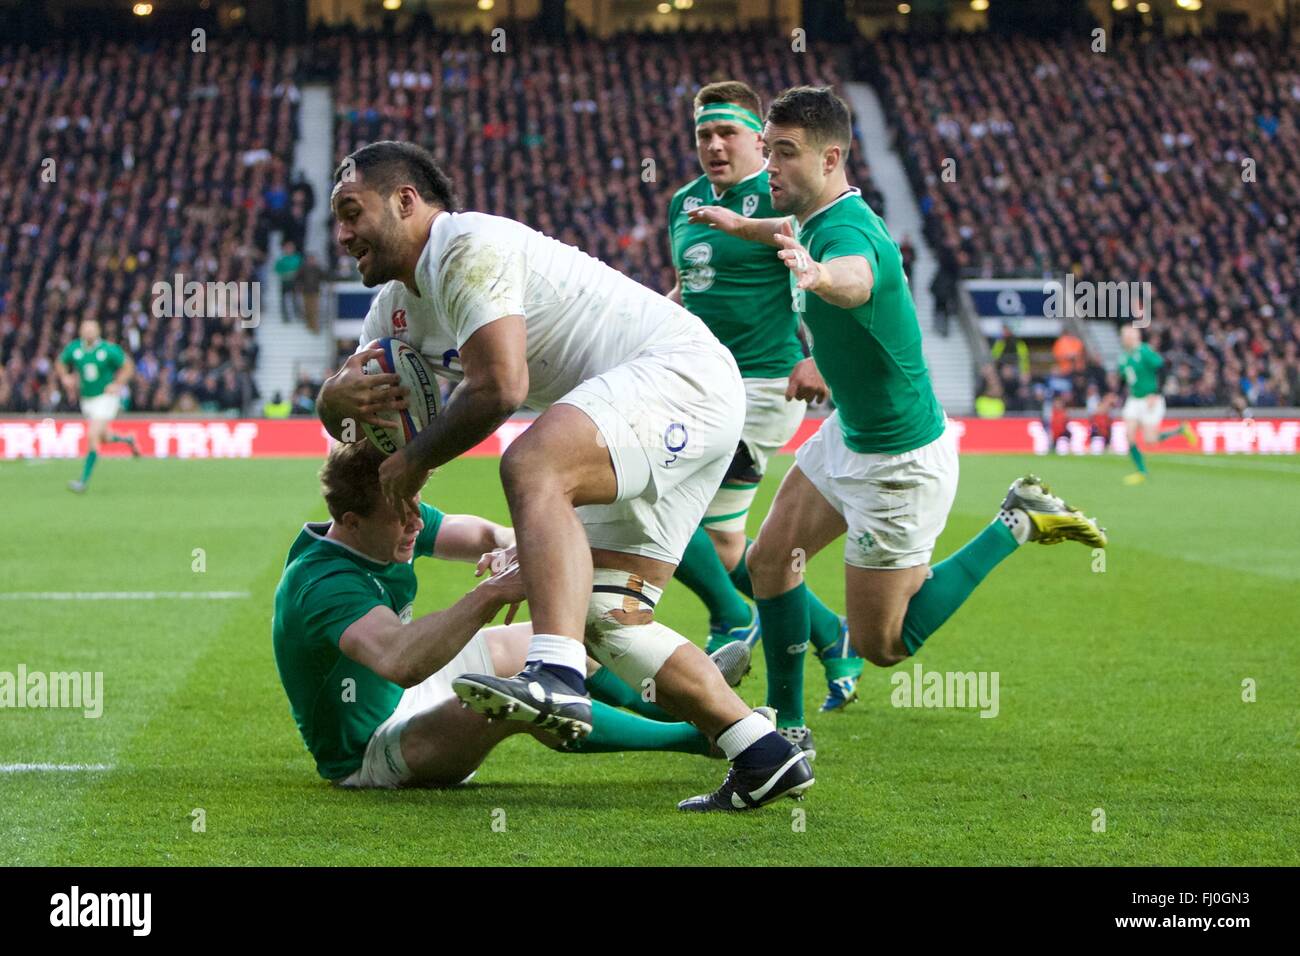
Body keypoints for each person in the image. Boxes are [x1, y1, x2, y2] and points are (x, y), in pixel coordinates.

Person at [316, 141, 812, 812]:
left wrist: (415, 460)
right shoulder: (393, 313)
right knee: (611, 617)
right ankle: (759, 749)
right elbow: (358, 421)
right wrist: (330, 403)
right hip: (641, 407)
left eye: (353, 212)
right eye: (336, 219)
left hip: (679, 377)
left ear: (407, 202)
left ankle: (553, 671)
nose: (342, 234)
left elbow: (498, 388)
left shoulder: (467, 248)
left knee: (531, 461)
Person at [689, 86, 1107, 679]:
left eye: (784, 152)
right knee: (769, 562)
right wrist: (739, 223)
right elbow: (783, 226)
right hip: (849, 433)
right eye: (766, 149)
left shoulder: (847, 236)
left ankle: (1016, 522)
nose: (770, 165)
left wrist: (816, 275)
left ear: (831, 160)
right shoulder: (812, 216)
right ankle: (785, 728)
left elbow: (853, 279)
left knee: (883, 644)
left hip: (898, 458)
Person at [272, 441, 732, 789]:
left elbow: (485, 531)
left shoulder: (390, 520)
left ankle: (689, 701)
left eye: (416, 507)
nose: (416, 523)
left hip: (402, 695)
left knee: (560, 636)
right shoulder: (323, 585)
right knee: (520, 702)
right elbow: (401, 660)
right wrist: (493, 592)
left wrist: (512, 545)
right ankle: (696, 738)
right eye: (402, 516)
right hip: (372, 750)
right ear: (351, 521)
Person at [666, 79, 861, 741]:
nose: (715, 146)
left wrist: (742, 224)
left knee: (674, 510)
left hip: (761, 390)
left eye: (728, 134)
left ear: (759, 140)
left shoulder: (780, 198)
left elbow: (807, 233)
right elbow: (694, 287)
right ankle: (832, 635)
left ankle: (730, 622)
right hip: (699, 386)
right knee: (726, 545)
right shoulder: (683, 202)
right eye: (703, 135)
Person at [56, 319, 140, 493]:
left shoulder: (108, 350)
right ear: (80, 331)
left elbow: (128, 366)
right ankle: (128, 440)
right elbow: (60, 362)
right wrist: (65, 377)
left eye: (92, 329)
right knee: (103, 436)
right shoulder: (74, 349)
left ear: (98, 331)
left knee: (93, 435)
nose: (88, 333)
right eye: (85, 329)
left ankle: (83, 481)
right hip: (87, 400)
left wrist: (117, 384)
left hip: (106, 398)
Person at [1117, 324, 1196, 485]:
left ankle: (1181, 429)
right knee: (1129, 435)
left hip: (1150, 399)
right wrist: (1116, 395)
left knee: (1150, 439)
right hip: (1134, 399)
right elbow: (1124, 379)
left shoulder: (1144, 351)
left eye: (1127, 335)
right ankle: (1141, 472)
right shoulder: (1124, 357)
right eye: (1123, 335)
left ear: (1135, 336)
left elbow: (1162, 369)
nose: (1124, 338)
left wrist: (1157, 393)